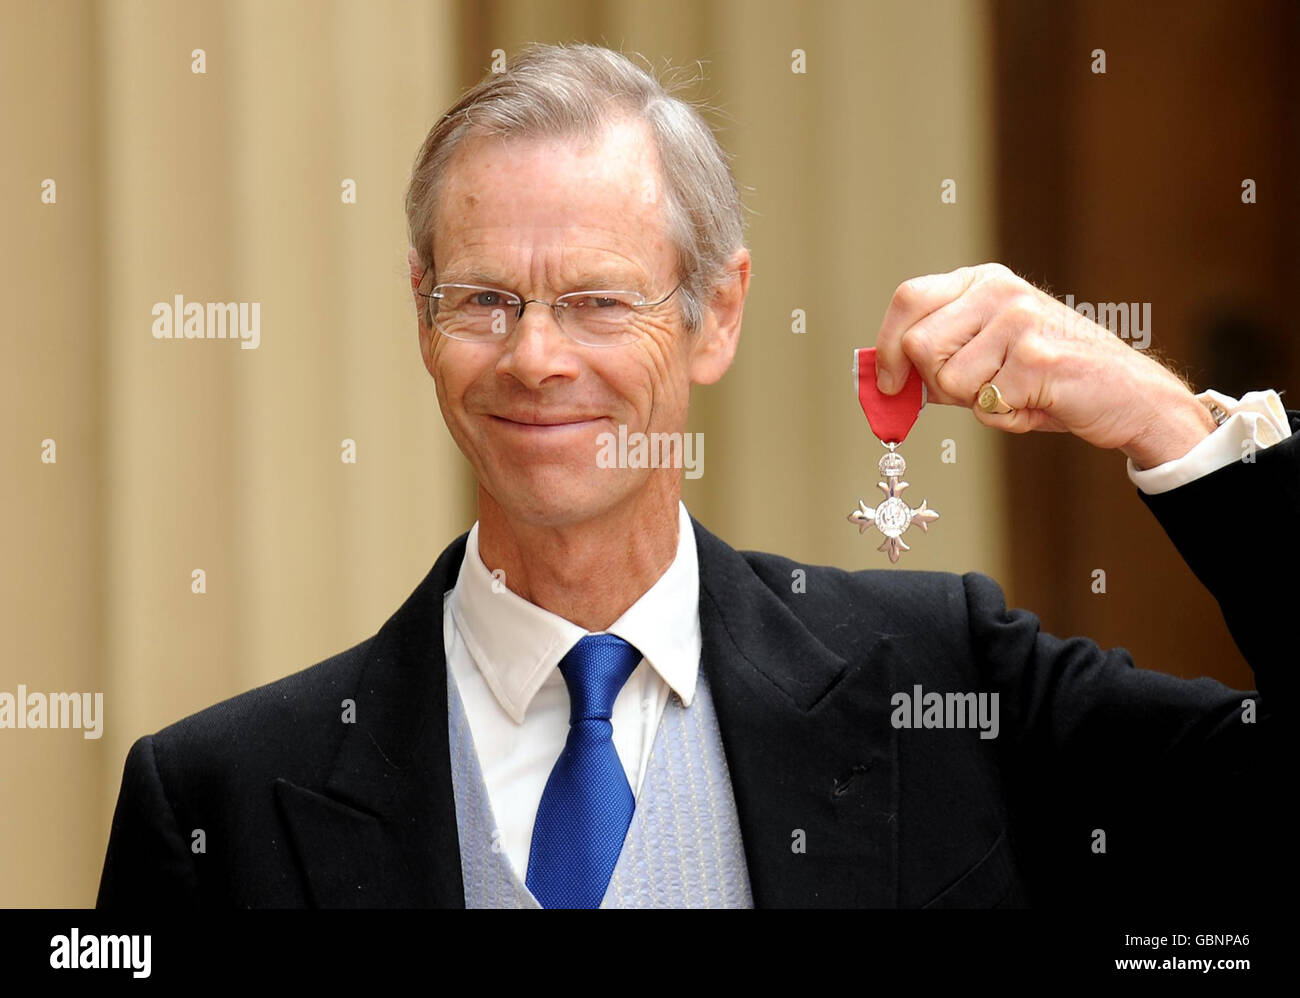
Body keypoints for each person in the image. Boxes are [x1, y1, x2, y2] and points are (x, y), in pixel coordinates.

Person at [97, 42, 1290, 909]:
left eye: (596, 300)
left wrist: (1169, 422)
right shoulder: (218, 800)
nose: (535, 356)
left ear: (716, 316)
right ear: (422, 315)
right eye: (485, 300)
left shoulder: (946, 687)